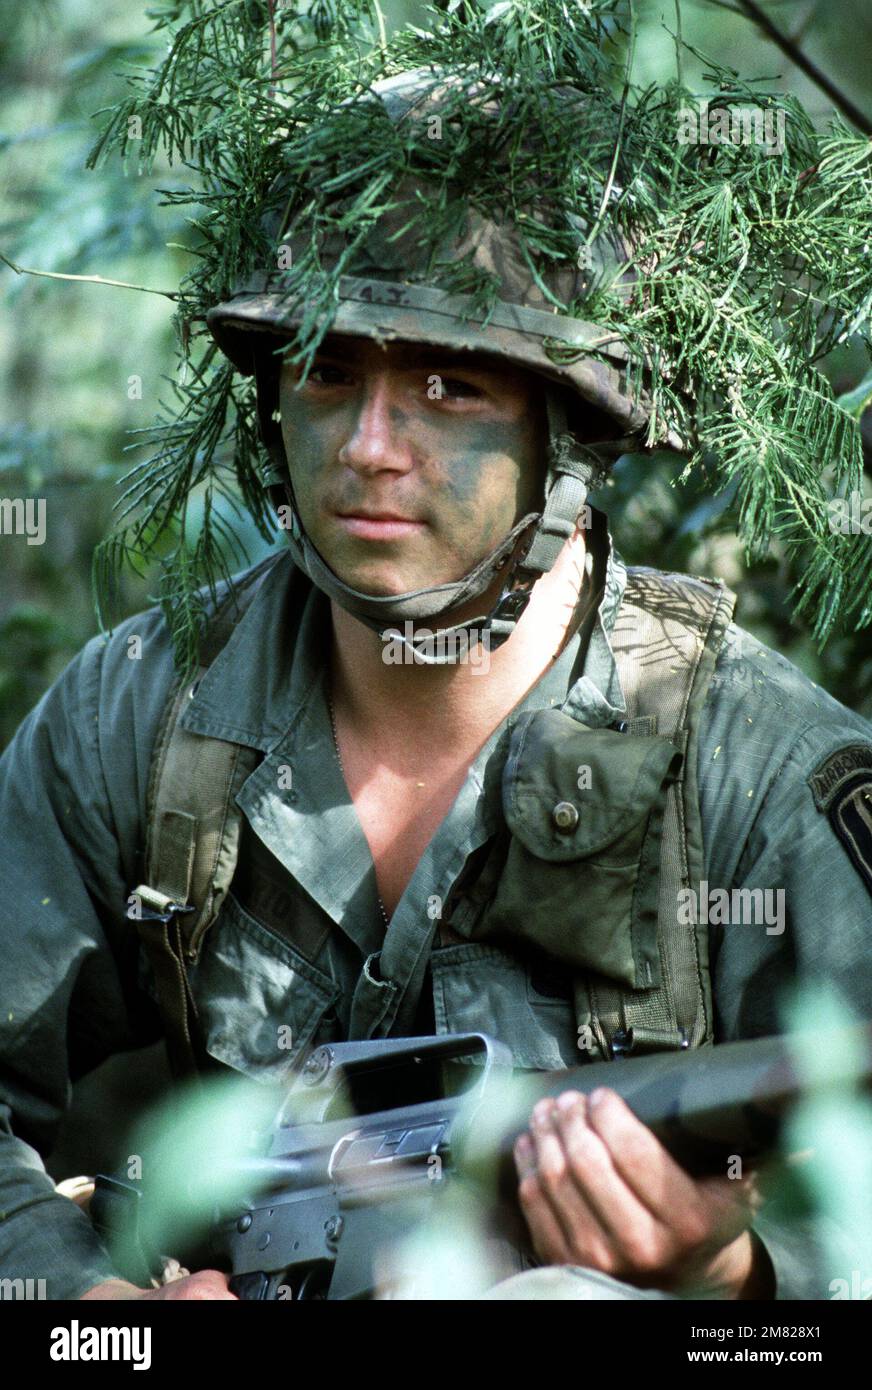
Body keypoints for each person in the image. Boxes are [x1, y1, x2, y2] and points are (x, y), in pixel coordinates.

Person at [1, 54, 870, 1303]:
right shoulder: (144, 705)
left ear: (562, 431)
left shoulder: (755, 767)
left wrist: (737, 1276)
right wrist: (89, 1307)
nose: (367, 445)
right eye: (327, 370)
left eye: (447, 384)